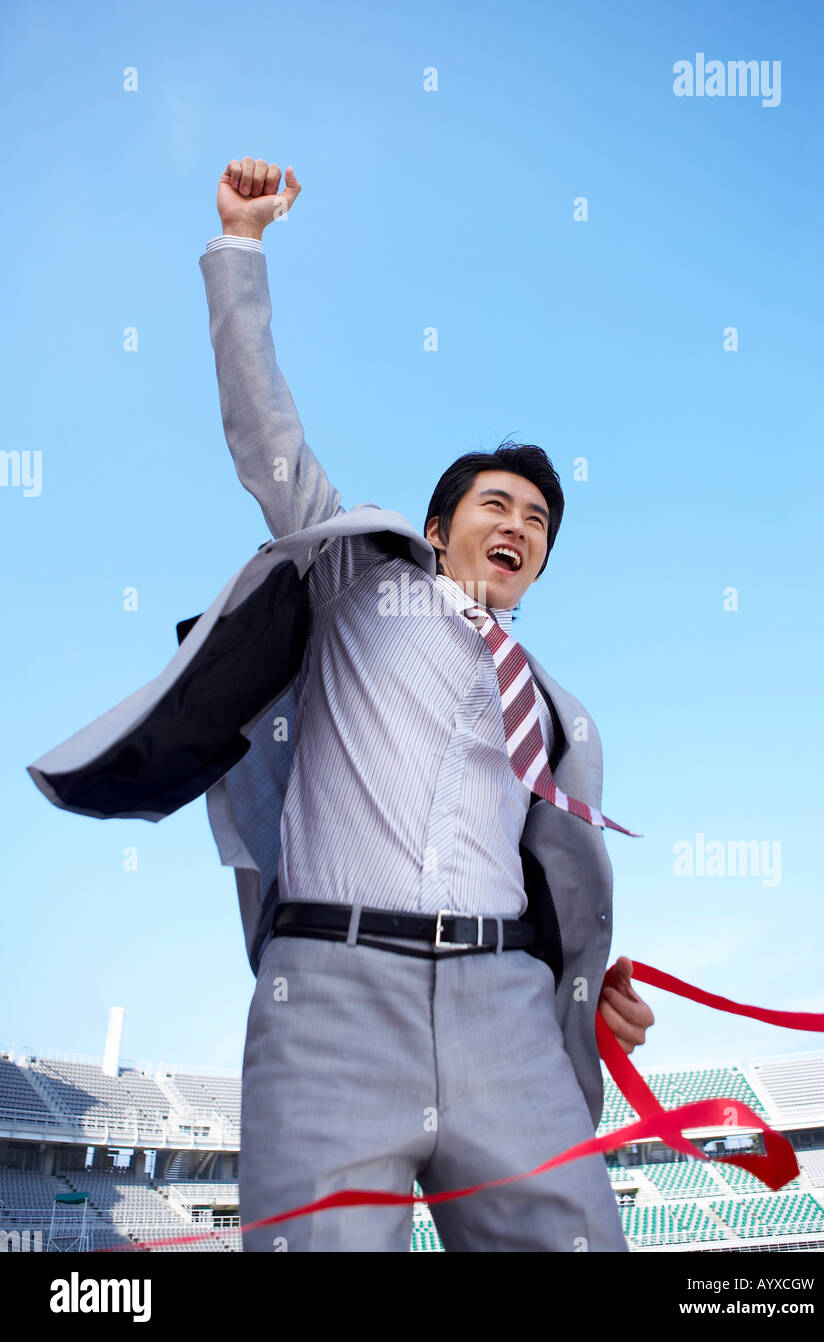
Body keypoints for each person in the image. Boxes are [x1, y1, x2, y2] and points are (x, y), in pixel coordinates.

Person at [206, 157, 655, 1252]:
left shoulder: (558, 711)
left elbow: (545, 876)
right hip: (333, 988)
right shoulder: (360, 584)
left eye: (539, 520)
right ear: (441, 523)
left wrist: (585, 978)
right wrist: (243, 246)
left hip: (507, 1006)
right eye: (496, 503)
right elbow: (269, 444)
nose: (519, 523)